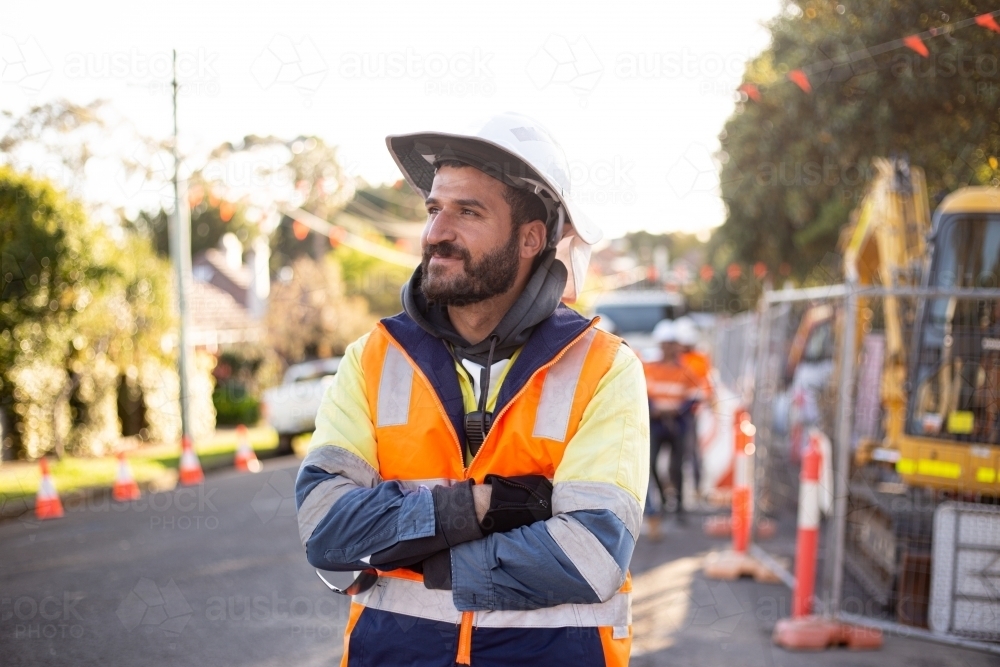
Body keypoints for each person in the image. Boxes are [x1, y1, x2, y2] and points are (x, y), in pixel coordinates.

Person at [295, 113, 649, 666]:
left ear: (532, 238)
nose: (437, 232)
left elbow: (590, 555)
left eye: (468, 211)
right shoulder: (372, 357)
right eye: (434, 209)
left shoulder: (604, 368)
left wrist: (423, 559)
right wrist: (476, 507)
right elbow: (326, 529)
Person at [643, 318, 704, 533]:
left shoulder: (686, 370)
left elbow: (696, 395)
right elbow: (643, 393)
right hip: (657, 423)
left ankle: (678, 506)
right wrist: (654, 410)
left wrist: (678, 410)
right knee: (649, 464)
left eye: (672, 343)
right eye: (665, 343)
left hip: (678, 424)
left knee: (677, 467)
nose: (668, 348)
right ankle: (661, 499)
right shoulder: (649, 368)